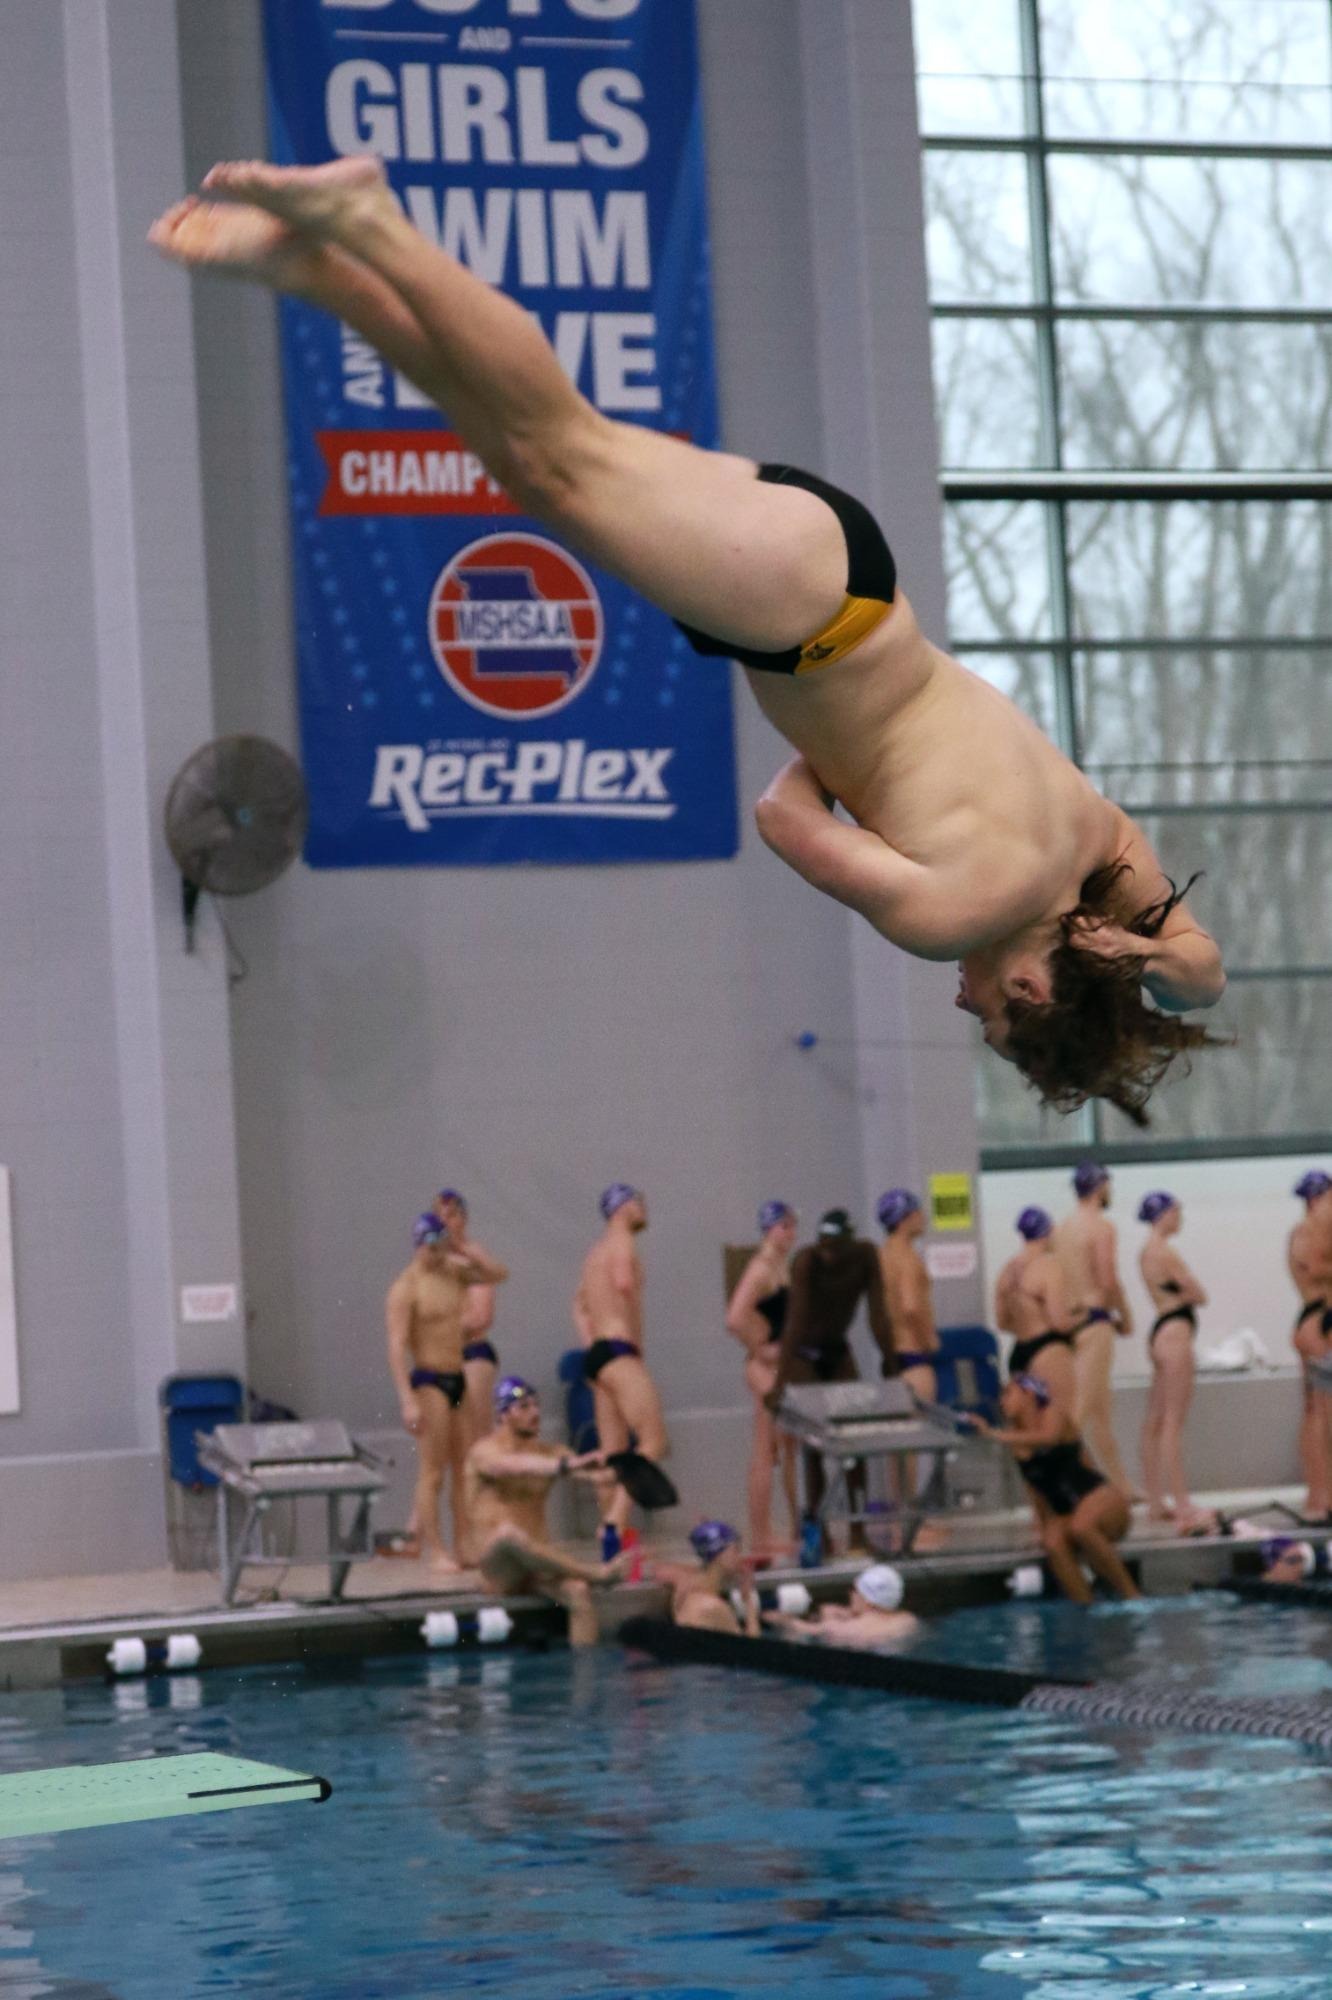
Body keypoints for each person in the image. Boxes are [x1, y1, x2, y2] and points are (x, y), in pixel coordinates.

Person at [148, 159, 1226, 1129]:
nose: (961, 997)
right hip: (803, 621)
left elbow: (1203, 976)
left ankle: (323, 274)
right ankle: (370, 226)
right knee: (565, 452)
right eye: (988, 1015)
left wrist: (1140, 949)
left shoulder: (1096, 839)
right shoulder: (948, 918)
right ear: (1033, 992)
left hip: (843, 578)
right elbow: (781, 813)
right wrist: (847, 747)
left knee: (535, 467)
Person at [385, 1211, 510, 1573]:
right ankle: (436, 1549)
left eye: (440, 1248)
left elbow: (498, 1274)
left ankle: (463, 1544)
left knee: (463, 1468)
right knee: (433, 1471)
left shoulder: (454, 1273)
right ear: (417, 1247)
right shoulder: (406, 1287)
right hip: (429, 1380)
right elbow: (395, 1347)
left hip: (458, 1377)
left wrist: (464, 1247)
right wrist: (407, 1399)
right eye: (431, 1249)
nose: (436, 1255)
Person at [465, 1376, 629, 1647]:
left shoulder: (552, 1453)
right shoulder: (484, 1452)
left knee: (578, 1593)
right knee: (508, 1534)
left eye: (536, 1405)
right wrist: (568, 1465)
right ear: (504, 1414)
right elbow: (514, 1466)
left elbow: (598, 1477)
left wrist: (621, 1468)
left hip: (537, 1564)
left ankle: (585, 1676)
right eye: (524, 1407)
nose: (535, 1413)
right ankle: (596, 1573)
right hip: (499, 1567)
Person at [768, 1208, 895, 1548]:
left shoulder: (866, 1256)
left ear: (848, 1243)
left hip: (837, 1352)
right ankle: (819, 1530)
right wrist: (779, 1384)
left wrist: (890, 1358)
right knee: (814, 1444)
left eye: (834, 1248)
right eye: (824, 1247)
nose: (828, 1255)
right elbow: (794, 1324)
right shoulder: (806, 1262)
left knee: (855, 1443)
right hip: (802, 1356)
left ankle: (857, 1529)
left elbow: (878, 1312)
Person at [967, 1374, 1139, 1603]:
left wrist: (993, 1434)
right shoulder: (1015, 1441)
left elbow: (1048, 1437)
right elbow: (1035, 1489)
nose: (1001, 1401)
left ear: (1029, 1394)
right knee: (1052, 1541)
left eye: (1008, 1393)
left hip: (1102, 1500)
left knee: (1082, 1525)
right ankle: (1086, 1607)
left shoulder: (1053, 1413)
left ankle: (1133, 1596)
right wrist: (1041, 1526)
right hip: (1069, 1513)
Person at [572, 1184, 669, 1547]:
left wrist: (592, 1341)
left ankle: (617, 1549)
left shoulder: (593, 1253)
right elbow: (625, 1283)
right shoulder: (622, 1241)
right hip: (620, 1351)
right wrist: (633, 1344)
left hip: (597, 1357)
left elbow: (579, 1305)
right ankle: (612, 1523)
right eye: (640, 1203)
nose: (645, 1209)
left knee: (613, 1456)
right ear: (623, 1207)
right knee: (653, 1441)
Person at [724, 1200, 800, 1561]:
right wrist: (762, 1347)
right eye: (787, 1226)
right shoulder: (760, 1268)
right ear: (772, 1228)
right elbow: (735, 1318)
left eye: (793, 1227)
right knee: (764, 1452)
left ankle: (788, 1528)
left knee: (783, 1448)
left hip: (775, 1368)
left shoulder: (777, 1265)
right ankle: (761, 1537)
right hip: (762, 1369)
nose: (792, 1233)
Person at [1052, 1162, 1134, 1493]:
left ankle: (1120, 1486)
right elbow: (1107, 1280)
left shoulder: (1062, 1229)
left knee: (1100, 1414)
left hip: (1072, 1324)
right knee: (1079, 1413)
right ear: (1099, 1187)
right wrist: (1125, 1315)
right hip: (1096, 1323)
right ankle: (1055, 1485)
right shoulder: (1102, 1228)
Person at [1138, 1191, 1211, 1534]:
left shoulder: (1144, 1253)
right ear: (1162, 1215)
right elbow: (1200, 1295)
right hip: (1176, 1334)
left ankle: (1156, 1502)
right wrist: (1187, 1293)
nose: (1179, 1218)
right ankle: (1182, 1503)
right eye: (1176, 1212)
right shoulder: (1165, 1253)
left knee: (1155, 1419)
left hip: (1159, 1333)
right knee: (1172, 1421)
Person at [993, 1207, 1078, 1421]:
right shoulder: (1049, 1267)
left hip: (1019, 1353)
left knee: (1028, 1426)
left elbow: (1002, 1322)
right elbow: (1061, 1323)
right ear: (1047, 1232)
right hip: (1048, 1352)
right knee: (1061, 1424)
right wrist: (1086, 1317)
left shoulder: (1007, 1270)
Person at [434, 1190, 504, 1449]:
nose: (444, 1222)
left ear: (463, 1219)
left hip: (473, 1355)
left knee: (478, 1441)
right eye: (438, 1217)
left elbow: (481, 1316)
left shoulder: (473, 1257)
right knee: (453, 1447)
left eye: (450, 1215)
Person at [1288, 1169, 1332, 1521]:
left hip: (1313, 1319)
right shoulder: (1307, 1232)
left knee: (1314, 1413)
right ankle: (1320, 1496)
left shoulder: (1307, 1231)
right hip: (1317, 1322)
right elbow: (1316, 1269)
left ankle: (1317, 1493)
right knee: (1321, 1414)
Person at [874, 1190, 939, 1405]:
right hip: (914, 1354)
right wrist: (927, 1339)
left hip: (892, 1355)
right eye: (918, 1212)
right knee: (921, 1430)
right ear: (905, 1219)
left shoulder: (882, 1255)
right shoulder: (908, 1258)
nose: (924, 1217)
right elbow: (911, 1306)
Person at [763, 1563, 920, 1649]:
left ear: (868, 1598)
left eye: (855, 1590)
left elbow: (795, 1626)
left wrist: (771, 1615)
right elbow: (876, 1616)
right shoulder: (908, 1621)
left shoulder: (837, 1628)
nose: (850, 1593)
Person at [657, 1520, 760, 1637]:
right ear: (721, 1555)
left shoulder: (684, 1593)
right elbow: (751, 1649)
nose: (740, 1557)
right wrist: (749, 1601)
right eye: (736, 1550)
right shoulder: (714, 1607)